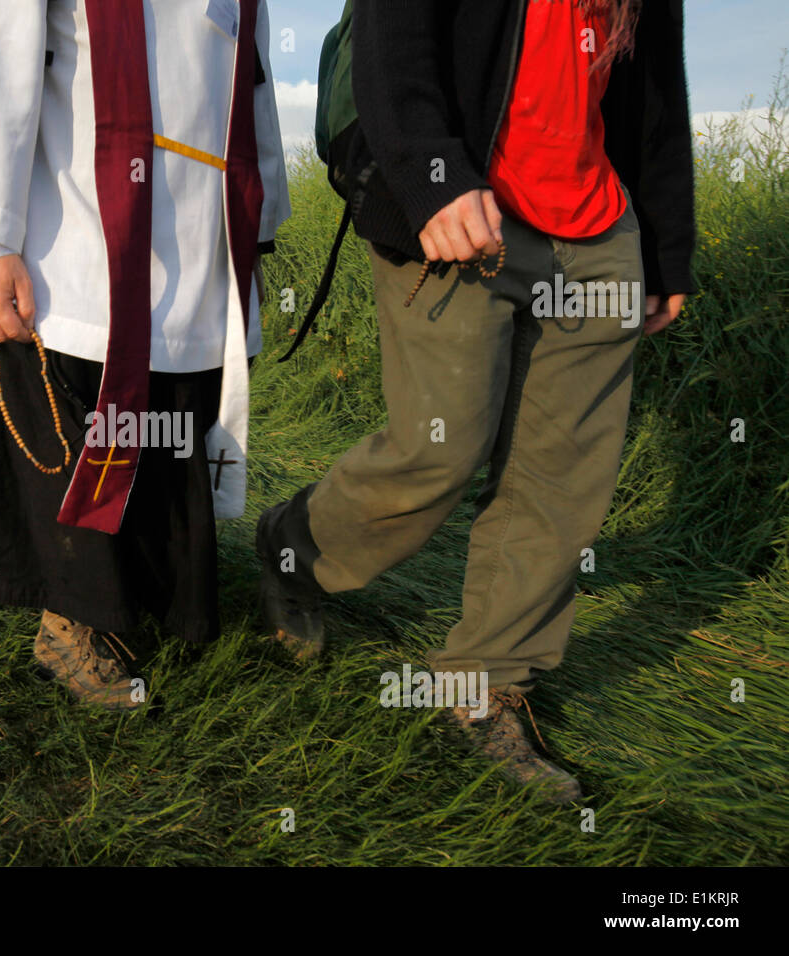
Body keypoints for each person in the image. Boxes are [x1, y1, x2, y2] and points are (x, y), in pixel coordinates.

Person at [256, 0, 695, 803]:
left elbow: (658, 91)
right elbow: (396, 38)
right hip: (466, 214)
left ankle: (485, 682)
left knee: (562, 479)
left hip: (599, 238)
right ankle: (292, 549)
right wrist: (433, 176)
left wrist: (666, 248)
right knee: (439, 450)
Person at [0, 0, 289, 708]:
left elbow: (249, 86)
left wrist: (256, 232)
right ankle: (69, 620)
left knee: (172, 426)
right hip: (75, 232)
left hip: (197, 238)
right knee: (76, 426)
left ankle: (147, 598)